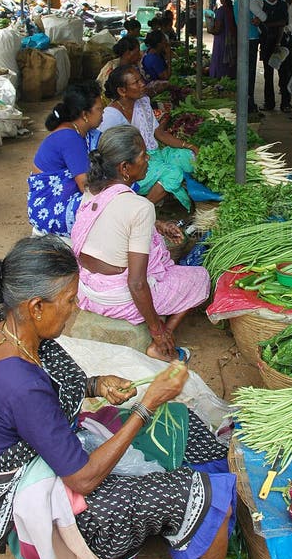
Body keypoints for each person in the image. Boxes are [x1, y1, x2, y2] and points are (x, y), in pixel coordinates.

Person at [0, 236, 280, 559]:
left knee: (184, 423)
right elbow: (83, 478)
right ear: (36, 307)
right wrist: (146, 404)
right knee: (199, 494)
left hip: (49, 445)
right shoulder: (18, 383)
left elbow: (44, 393)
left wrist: (97, 384)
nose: (76, 307)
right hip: (39, 499)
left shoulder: (7, 326)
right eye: (70, 300)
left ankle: (214, 526)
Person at [72, 126, 210, 362]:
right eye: (144, 156)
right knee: (200, 278)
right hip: (119, 299)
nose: (148, 160)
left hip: (89, 291)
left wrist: (158, 225)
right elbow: (136, 284)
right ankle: (161, 345)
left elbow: (115, 223)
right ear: (125, 168)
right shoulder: (140, 207)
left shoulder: (92, 192)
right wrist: (157, 331)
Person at [100, 65, 196, 209]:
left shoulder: (143, 102)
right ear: (122, 91)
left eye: (141, 80)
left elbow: (158, 133)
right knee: (173, 173)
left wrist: (189, 146)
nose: (143, 84)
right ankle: (144, 208)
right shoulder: (110, 116)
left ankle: (163, 189)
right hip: (134, 165)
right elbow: (106, 153)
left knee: (189, 157)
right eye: (136, 82)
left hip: (153, 154)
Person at [27, 84, 104, 236]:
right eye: (100, 109)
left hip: (58, 199)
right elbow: (85, 186)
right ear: (85, 114)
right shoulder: (70, 138)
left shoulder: (80, 132)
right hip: (51, 207)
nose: (103, 113)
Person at [233, 0, 267, 113]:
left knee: (244, 72)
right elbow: (263, 16)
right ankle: (249, 104)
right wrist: (259, 18)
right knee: (250, 73)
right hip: (251, 38)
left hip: (242, 37)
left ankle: (245, 102)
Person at [258, 0, 288, 111]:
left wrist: (278, 42)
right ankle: (269, 103)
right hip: (266, 43)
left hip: (279, 42)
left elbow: (283, 23)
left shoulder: (282, 5)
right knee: (268, 74)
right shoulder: (262, 4)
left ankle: (285, 103)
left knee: (283, 73)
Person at [208, 0, 237, 81]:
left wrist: (210, 30)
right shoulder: (234, 9)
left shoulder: (221, 11)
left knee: (220, 63)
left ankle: (219, 81)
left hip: (222, 42)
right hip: (233, 40)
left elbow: (218, 30)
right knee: (230, 65)